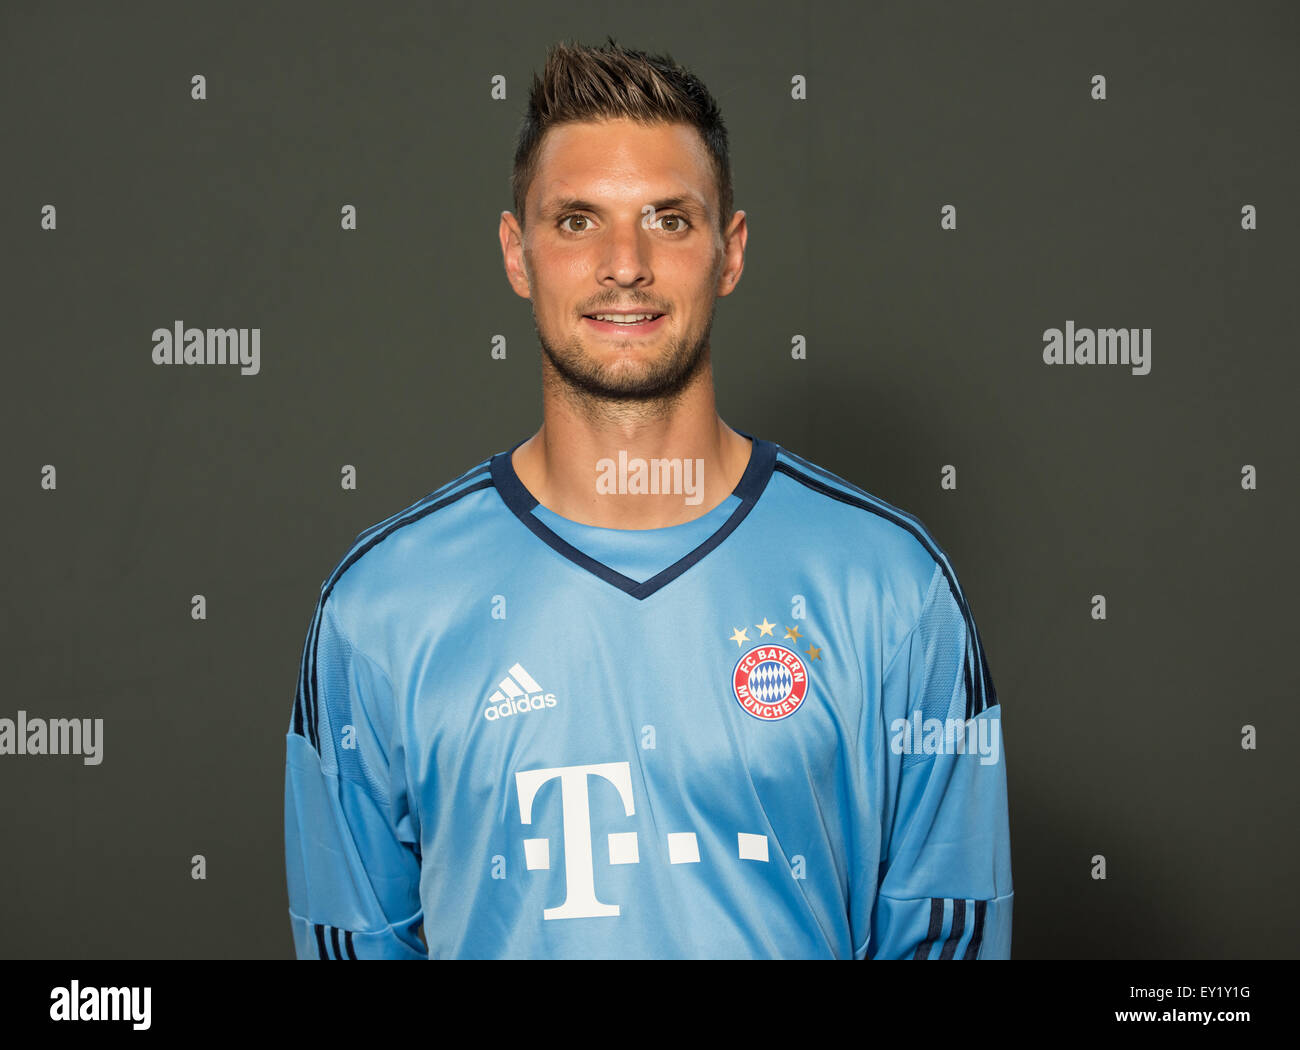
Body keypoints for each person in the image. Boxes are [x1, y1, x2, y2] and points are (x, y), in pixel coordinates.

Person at [284, 37, 1012, 959]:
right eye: (577, 221)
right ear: (517, 255)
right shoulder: (380, 611)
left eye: (668, 219)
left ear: (729, 250)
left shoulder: (894, 590)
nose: (624, 263)